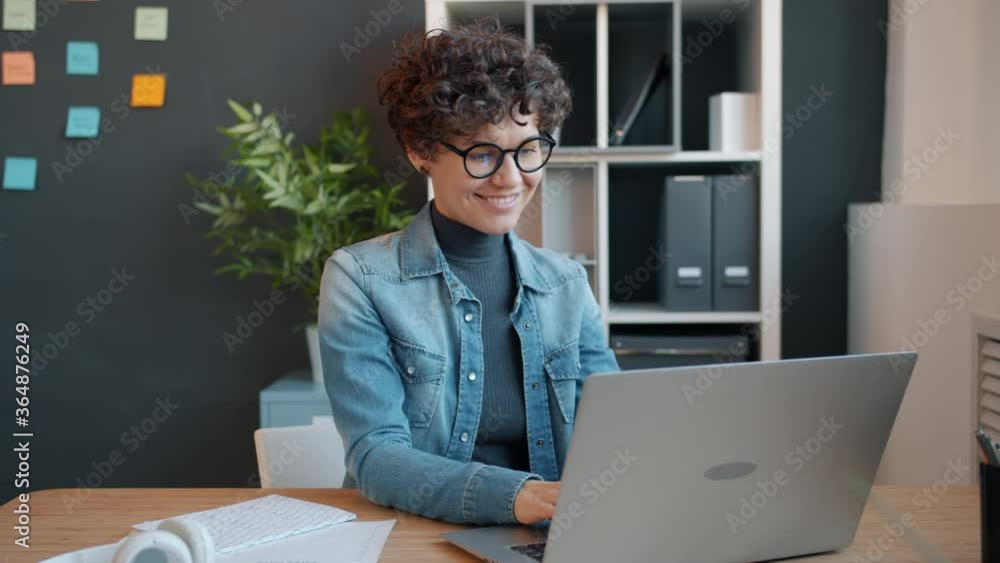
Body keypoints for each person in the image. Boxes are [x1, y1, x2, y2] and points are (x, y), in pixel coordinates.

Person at [317, 18, 619, 526]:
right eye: (482, 154)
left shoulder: (566, 283)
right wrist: (514, 497)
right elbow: (376, 457)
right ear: (421, 152)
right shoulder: (360, 279)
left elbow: (615, 429)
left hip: (554, 534)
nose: (510, 178)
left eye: (527, 150)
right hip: (418, 534)